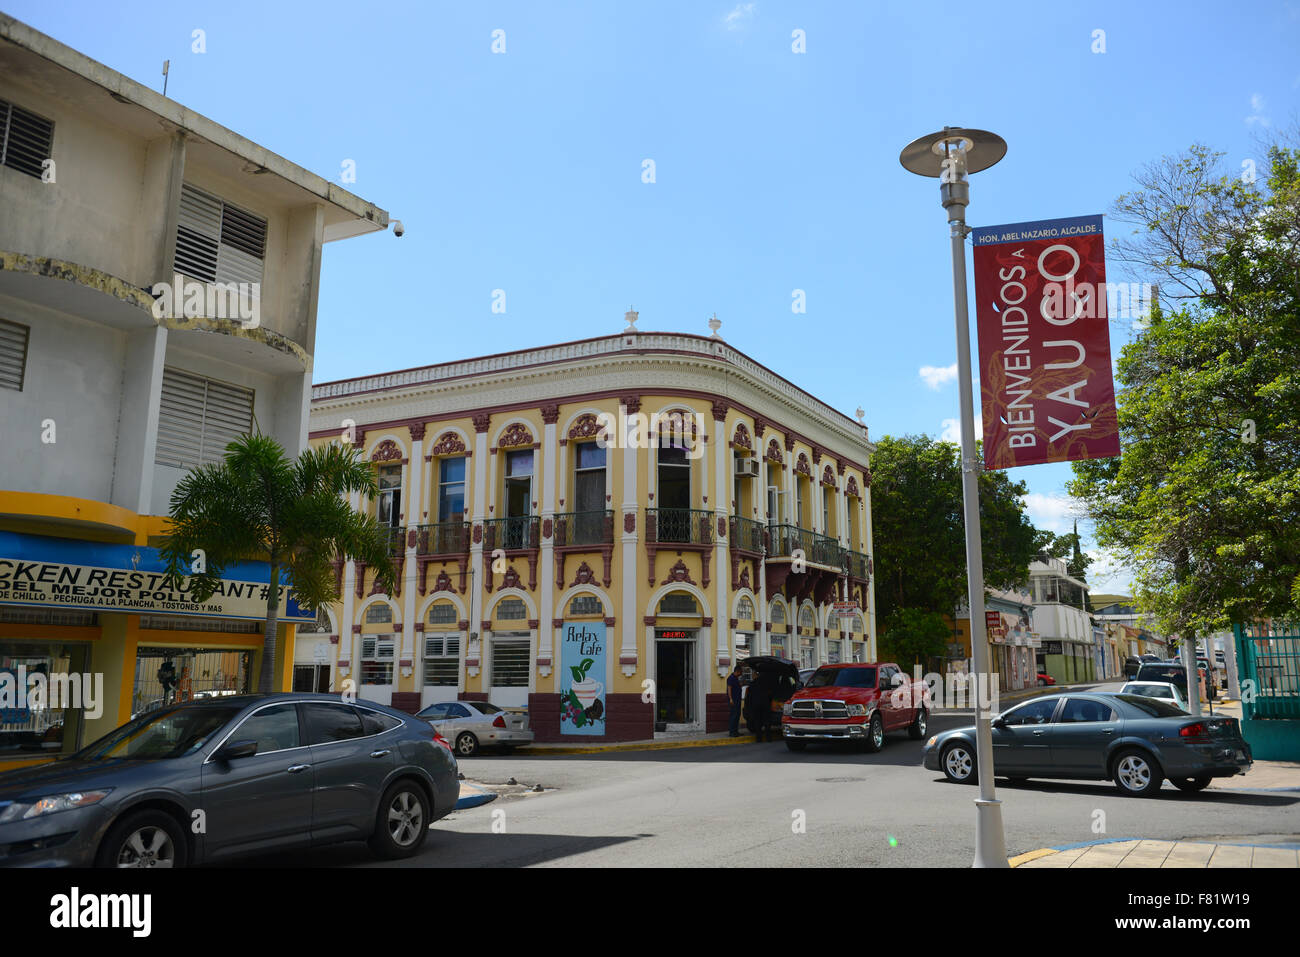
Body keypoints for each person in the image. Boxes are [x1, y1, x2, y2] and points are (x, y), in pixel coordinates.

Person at [727, 664, 743, 737]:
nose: (741, 674)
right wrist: (730, 699)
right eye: (741, 672)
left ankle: (736, 731)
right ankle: (732, 732)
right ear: (737, 671)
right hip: (733, 700)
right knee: (733, 716)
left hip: (738, 700)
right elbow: (729, 689)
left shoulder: (736, 678)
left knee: (737, 715)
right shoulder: (731, 678)